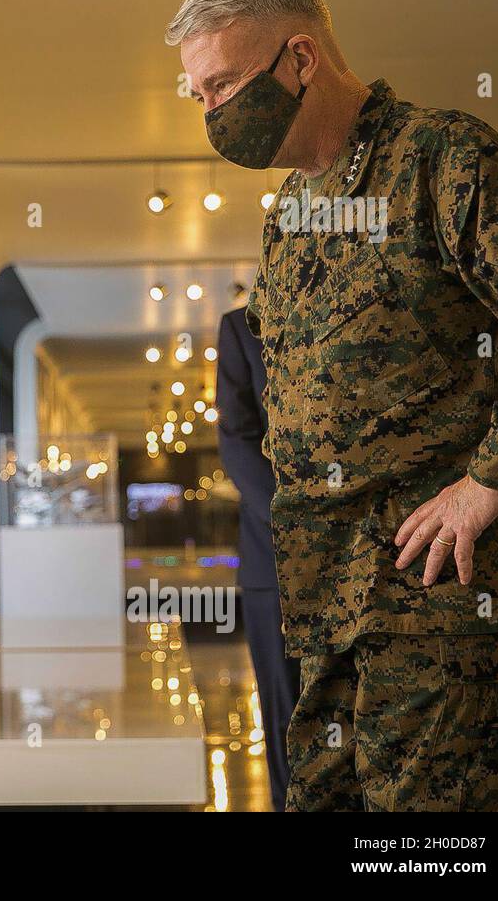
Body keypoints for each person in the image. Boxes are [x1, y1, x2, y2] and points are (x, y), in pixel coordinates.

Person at [167, 0, 498, 811]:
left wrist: (487, 483)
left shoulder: (440, 161)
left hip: (434, 605)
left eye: (222, 85)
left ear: (301, 59)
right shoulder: (293, 219)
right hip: (326, 610)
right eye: (200, 97)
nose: (213, 114)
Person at [216, 305, 300, 812]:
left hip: (371, 550)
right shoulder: (241, 326)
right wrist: (295, 518)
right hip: (273, 555)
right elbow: (237, 438)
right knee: (286, 711)